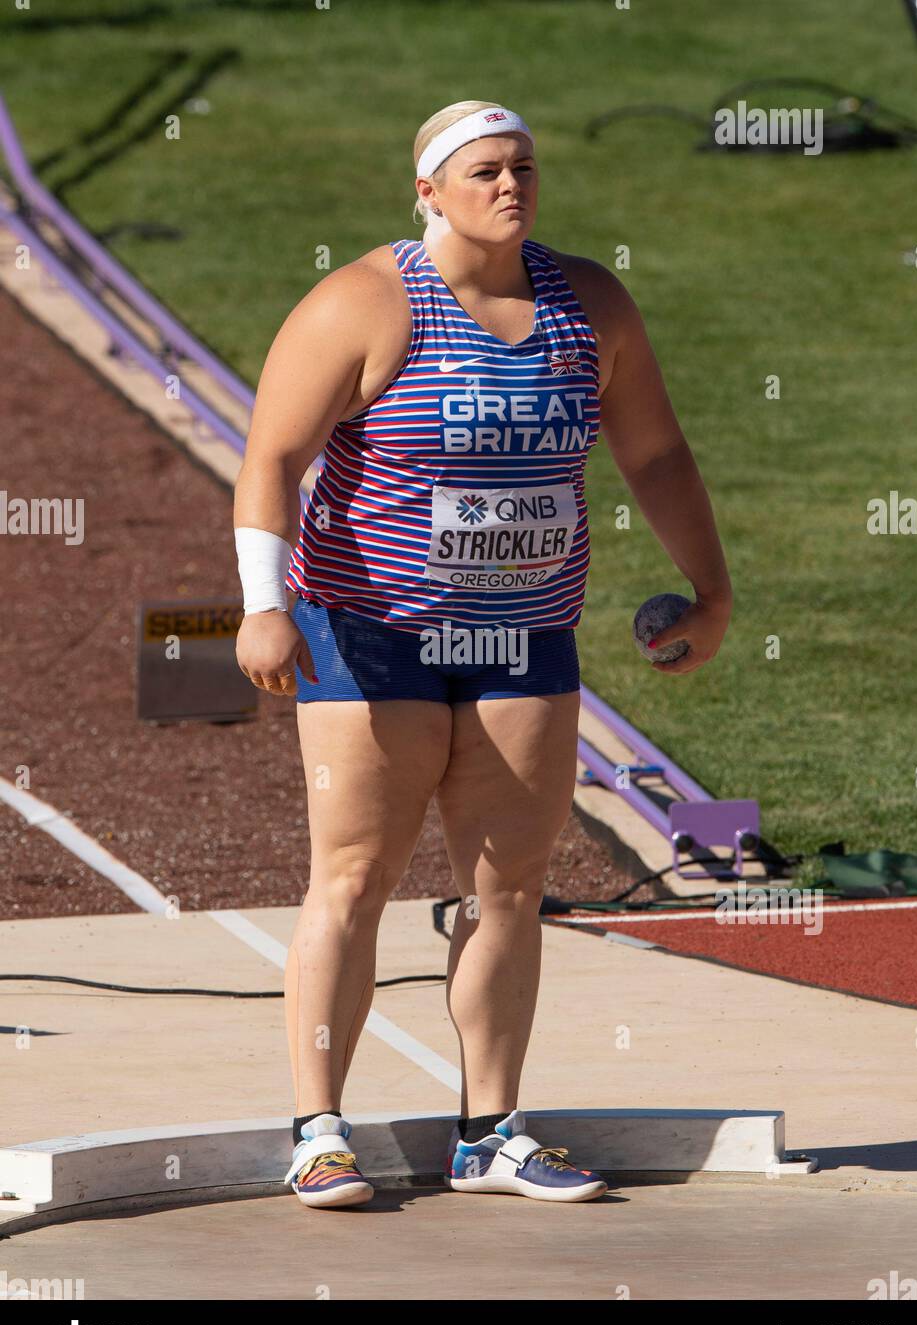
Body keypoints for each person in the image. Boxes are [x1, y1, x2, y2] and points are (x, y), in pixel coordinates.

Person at [233, 100, 732, 1209]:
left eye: (525, 169)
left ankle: (490, 1131)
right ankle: (318, 1127)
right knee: (353, 880)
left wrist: (714, 588)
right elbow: (272, 454)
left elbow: (654, 452)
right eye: (487, 172)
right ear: (429, 190)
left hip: (523, 639)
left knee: (508, 887)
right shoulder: (363, 302)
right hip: (370, 635)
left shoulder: (588, 303)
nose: (513, 187)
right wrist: (262, 606)